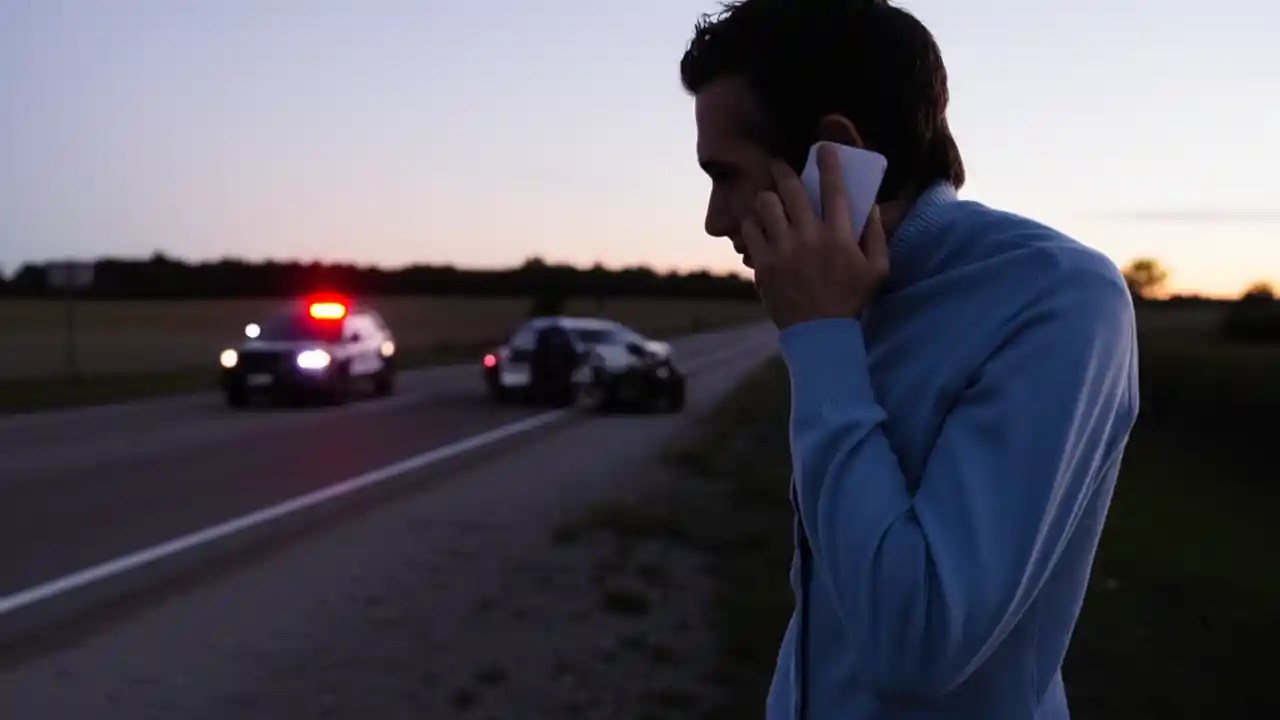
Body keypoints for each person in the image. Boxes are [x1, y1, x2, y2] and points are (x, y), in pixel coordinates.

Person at [678, 1, 1140, 718]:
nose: (714, 219)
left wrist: (822, 337)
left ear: (831, 154)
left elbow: (916, 645)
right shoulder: (847, 292)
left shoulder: (1057, 297)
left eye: (725, 173)